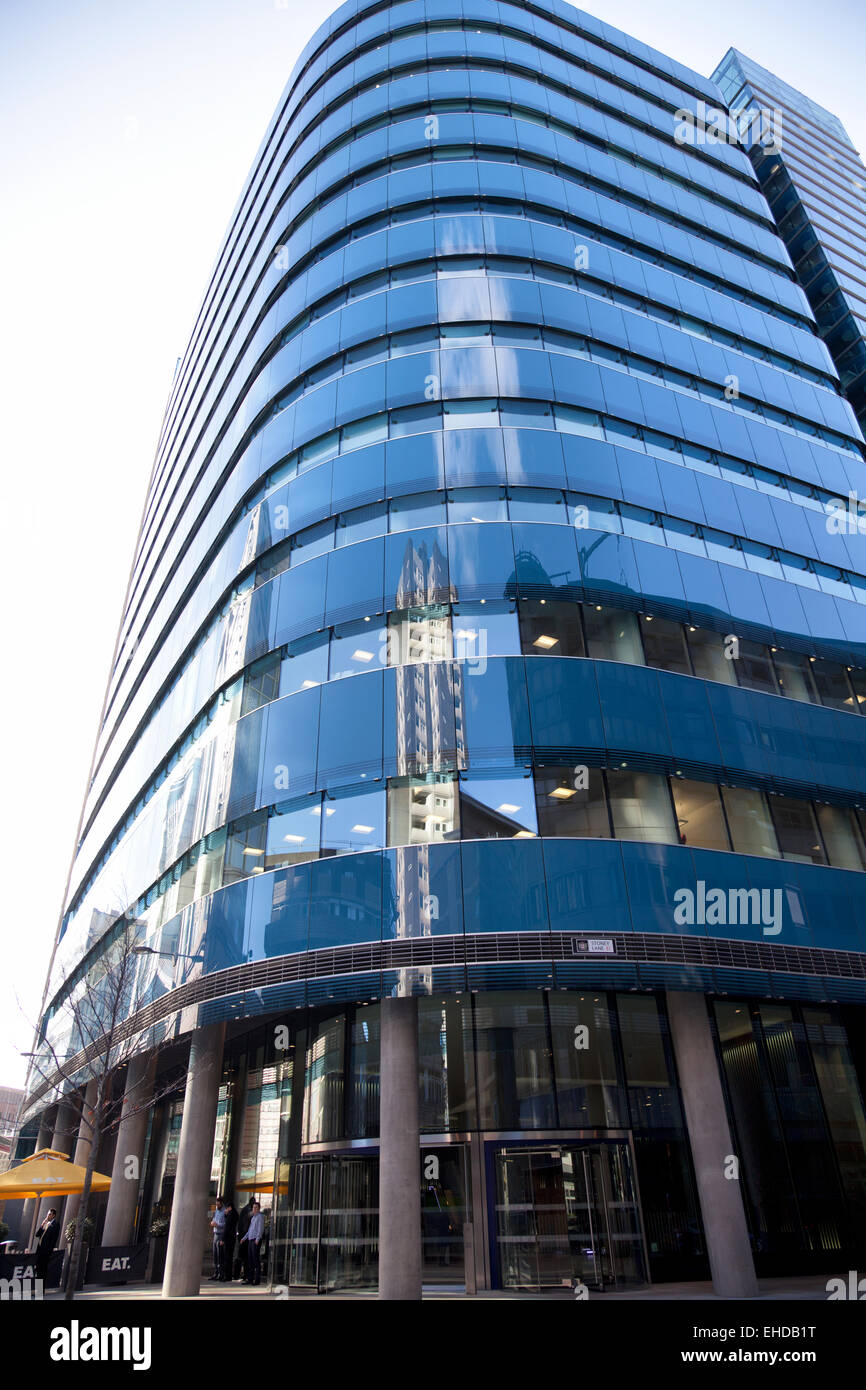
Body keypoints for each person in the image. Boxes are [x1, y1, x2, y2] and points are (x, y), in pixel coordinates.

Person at [240, 1202, 264, 1286]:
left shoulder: (260, 1217)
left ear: (258, 1208)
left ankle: (257, 1279)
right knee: (250, 1260)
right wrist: (244, 1238)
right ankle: (250, 1278)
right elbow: (250, 1230)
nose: (254, 1209)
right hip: (250, 1239)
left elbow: (260, 1229)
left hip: (255, 1240)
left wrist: (258, 1238)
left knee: (255, 1260)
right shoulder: (253, 1217)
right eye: (253, 1208)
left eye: (255, 1208)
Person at [34, 1208, 60, 1282]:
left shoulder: (55, 1225)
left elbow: (54, 1239)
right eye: (47, 1214)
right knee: (38, 1270)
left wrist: (49, 1251)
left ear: (53, 1215)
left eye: (49, 1214)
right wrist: (42, 1225)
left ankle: (40, 1290)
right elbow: (37, 1234)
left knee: (43, 1271)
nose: (48, 1216)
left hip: (46, 1252)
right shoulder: (46, 1224)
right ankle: (37, 1289)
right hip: (40, 1250)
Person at [235, 1197, 255, 1281]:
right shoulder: (247, 1211)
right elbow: (246, 1225)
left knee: (241, 1257)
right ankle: (244, 1274)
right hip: (245, 1236)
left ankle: (238, 1274)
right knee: (245, 1257)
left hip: (243, 1236)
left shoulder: (244, 1210)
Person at [220, 1200, 238, 1282]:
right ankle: (229, 1275)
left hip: (228, 1238)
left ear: (229, 1207)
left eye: (227, 1208)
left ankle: (226, 1275)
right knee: (229, 1257)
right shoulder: (235, 1214)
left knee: (227, 1257)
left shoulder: (230, 1214)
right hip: (233, 1237)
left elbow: (227, 1227)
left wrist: (223, 1239)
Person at [210, 1197, 226, 1280]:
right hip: (215, 1233)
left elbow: (225, 1224)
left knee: (220, 1254)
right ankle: (216, 1272)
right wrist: (213, 1222)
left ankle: (221, 1273)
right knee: (215, 1254)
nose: (217, 1205)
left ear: (221, 1203)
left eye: (218, 1204)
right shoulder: (217, 1211)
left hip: (221, 1233)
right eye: (216, 1204)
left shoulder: (224, 1211)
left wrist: (218, 1225)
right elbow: (214, 1219)